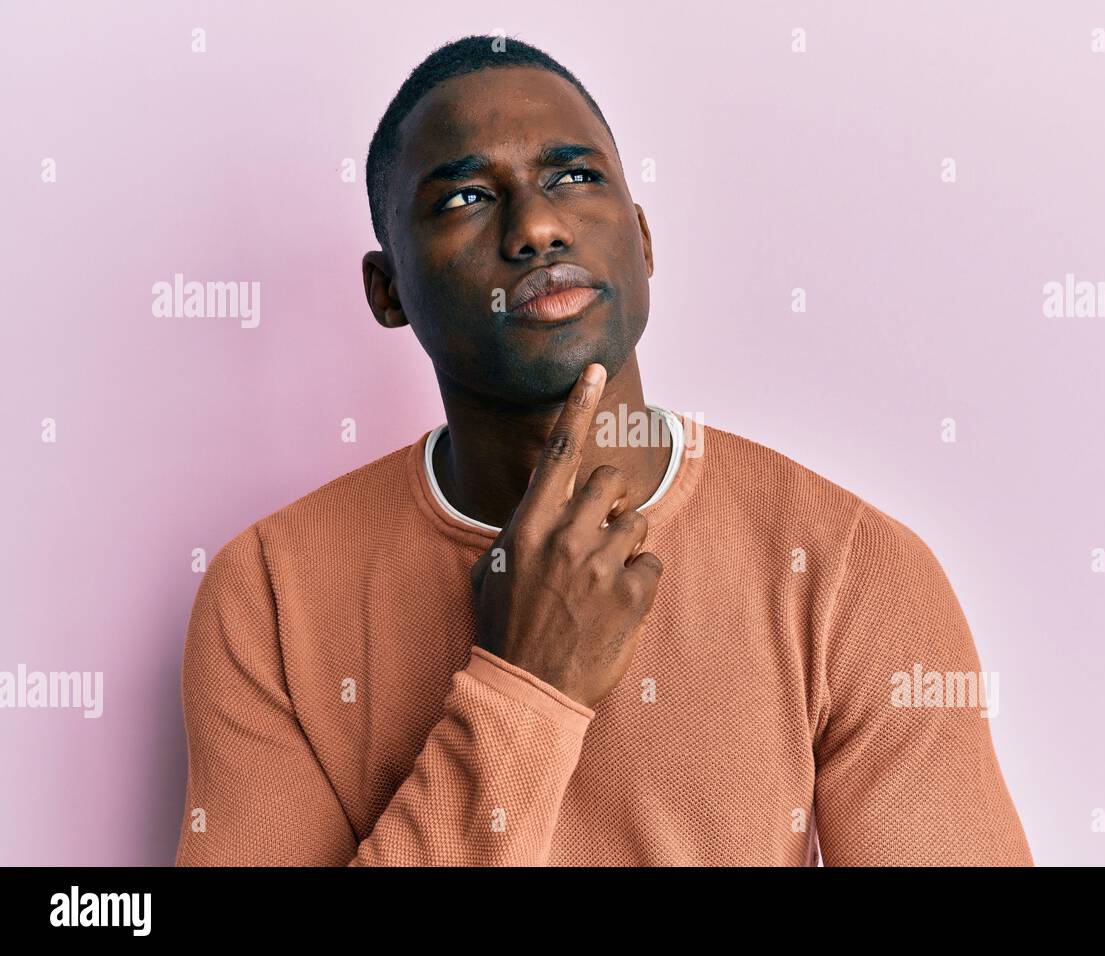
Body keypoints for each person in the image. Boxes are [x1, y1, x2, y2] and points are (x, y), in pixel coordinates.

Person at [174, 34, 1033, 866]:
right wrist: (521, 689)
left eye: (576, 177)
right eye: (466, 197)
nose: (538, 228)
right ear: (388, 288)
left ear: (644, 240)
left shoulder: (853, 570)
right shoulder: (269, 594)